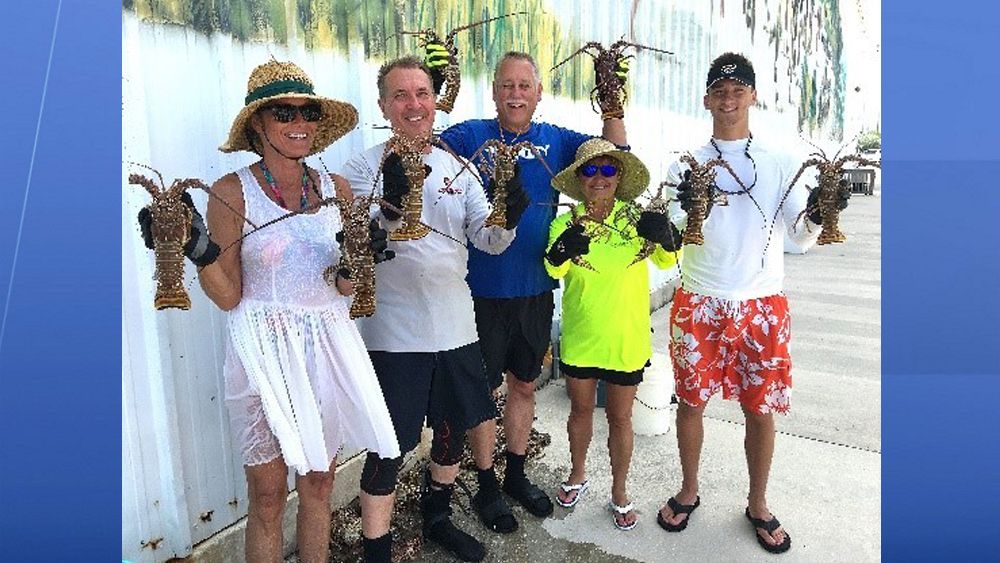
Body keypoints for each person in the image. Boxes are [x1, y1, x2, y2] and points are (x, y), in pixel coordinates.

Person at [137, 60, 401, 563]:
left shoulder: (335, 188)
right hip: (261, 351)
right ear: (258, 124)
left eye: (307, 111)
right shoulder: (231, 192)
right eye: (283, 112)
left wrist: (362, 256)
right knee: (268, 495)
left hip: (326, 345)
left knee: (321, 483)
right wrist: (199, 252)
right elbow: (228, 295)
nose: (299, 122)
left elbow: (344, 286)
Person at [427, 48, 630, 532]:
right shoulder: (471, 135)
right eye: (506, 85)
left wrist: (614, 100)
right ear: (494, 91)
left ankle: (515, 474)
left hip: (536, 289)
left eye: (524, 86)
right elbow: (423, 151)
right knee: (483, 394)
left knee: (523, 385)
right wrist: (439, 88)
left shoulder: (556, 141)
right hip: (481, 292)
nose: (515, 94)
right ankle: (486, 485)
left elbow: (616, 155)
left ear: (539, 93)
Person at [655, 52, 850, 554]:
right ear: (705, 98)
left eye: (738, 87)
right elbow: (672, 233)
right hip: (698, 301)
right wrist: (659, 229)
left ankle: (758, 503)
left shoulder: (781, 162)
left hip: (762, 305)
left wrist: (819, 213)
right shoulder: (686, 163)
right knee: (691, 404)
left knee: (761, 410)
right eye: (719, 87)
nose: (728, 95)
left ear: (753, 95)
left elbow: (800, 237)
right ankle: (689, 489)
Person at [339, 56, 528, 563]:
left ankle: (438, 518)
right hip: (392, 334)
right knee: (387, 450)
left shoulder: (458, 168)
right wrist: (389, 208)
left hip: (455, 326)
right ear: (383, 106)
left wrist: (508, 213)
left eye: (422, 93)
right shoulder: (359, 169)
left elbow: (487, 240)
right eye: (400, 96)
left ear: (435, 101)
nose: (413, 105)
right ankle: (376, 551)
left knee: (450, 436)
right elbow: (360, 240)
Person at [544, 138, 680, 531]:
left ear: (619, 176)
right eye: (590, 170)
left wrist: (668, 234)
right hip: (583, 338)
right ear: (579, 179)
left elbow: (667, 258)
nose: (599, 178)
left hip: (627, 340)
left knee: (621, 419)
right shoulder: (564, 221)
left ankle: (620, 490)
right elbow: (552, 269)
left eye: (608, 169)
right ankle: (577, 473)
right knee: (580, 411)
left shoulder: (637, 218)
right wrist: (561, 251)